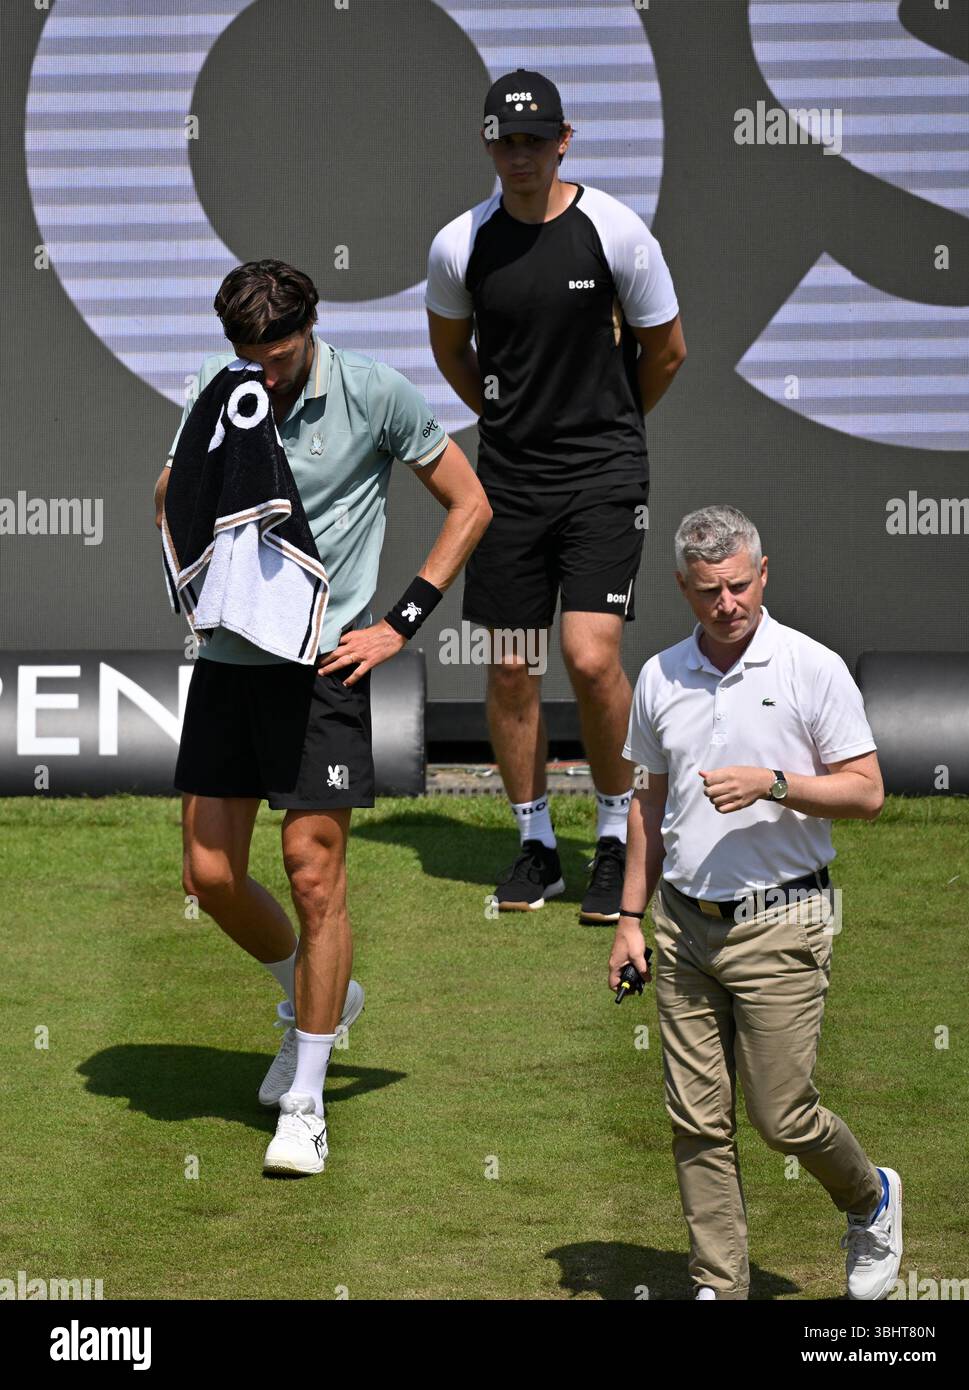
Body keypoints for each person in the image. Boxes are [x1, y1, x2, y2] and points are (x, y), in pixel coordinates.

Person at [154, 260, 491, 1176]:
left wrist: (398, 624)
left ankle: (305, 1100)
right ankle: (319, 999)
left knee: (313, 875)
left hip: (324, 665)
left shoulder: (375, 393)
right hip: (228, 663)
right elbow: (169, 497)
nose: (264, 371)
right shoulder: (216, 391)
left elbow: (471, 504)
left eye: (280, 353)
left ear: (312, 329)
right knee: (210, 875)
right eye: (248, 355)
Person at [609, 504, 903, 1300]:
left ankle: (871, 1196)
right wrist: (629, 920)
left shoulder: (813, 668)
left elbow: (868, 793)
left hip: (786, 923)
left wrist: (775, 784)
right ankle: (719, 1283)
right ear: (684, 588)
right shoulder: (661, 676)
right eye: (709, 592)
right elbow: (646, 806)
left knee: (782, 1117)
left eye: (739, 585)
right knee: (696, 1120)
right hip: (680, 928)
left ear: (763, 574)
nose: (727, 603)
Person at [426, 69, 686, 922]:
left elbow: (668, 349)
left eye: (535, 140)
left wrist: (608, 426)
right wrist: (512, 423)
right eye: (506, 140)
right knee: (508, 665)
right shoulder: (460, 244)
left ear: (564, 140)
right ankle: (535, 842)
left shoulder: (616, 231)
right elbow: (453, 352)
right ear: (487, 145)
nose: (520, 155)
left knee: (589, 656)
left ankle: (615, 836)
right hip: (507, 482)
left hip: (604, 478)